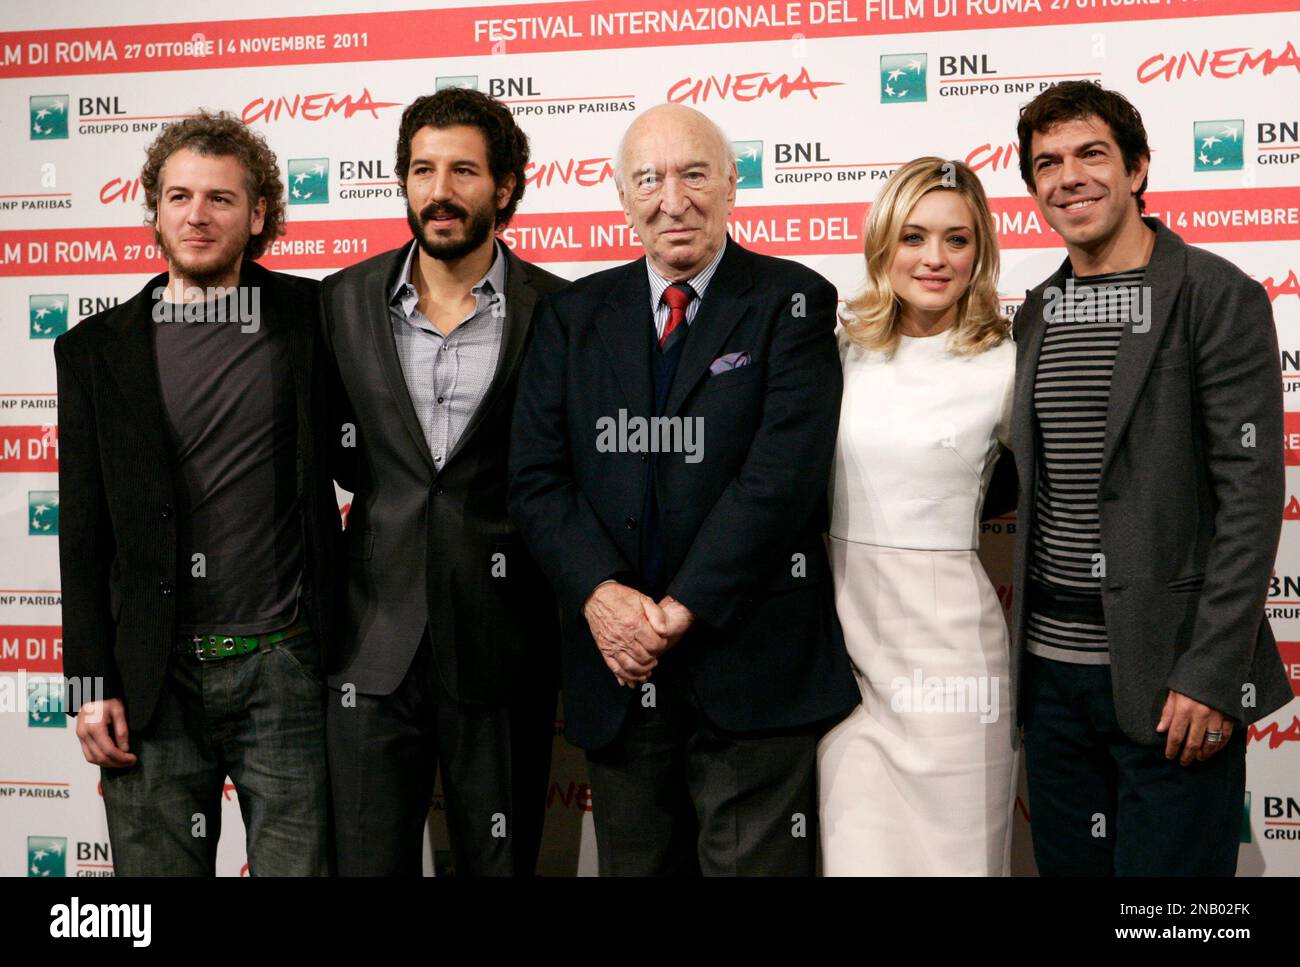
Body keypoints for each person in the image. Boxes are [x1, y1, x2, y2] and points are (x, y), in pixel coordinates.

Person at [509, 102, 858, 876]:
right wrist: (603, 597)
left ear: (734, 183)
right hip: (619, 677)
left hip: (752, 672)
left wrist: (677, 610)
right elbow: (536, 479)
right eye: (650, 179)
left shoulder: (792, 301)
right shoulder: (570, 316)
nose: (674, 199)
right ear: (623, 196)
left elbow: (780, 481)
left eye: (695, 174)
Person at [1008, 81, 1291, 875]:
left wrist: (1210, 674)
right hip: (1052, 683)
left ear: (1136, 168)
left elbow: (1250, 499)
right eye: (1047, 163)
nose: (1070, 177)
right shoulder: (1037, 311)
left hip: (1172, 680)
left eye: (1091, 153)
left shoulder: (1213, 294)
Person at [56, 111, 340, 875]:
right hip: (152, 685)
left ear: (257, 214)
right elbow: (82, 537)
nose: (196, 214)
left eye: (220, 198)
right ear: (153, 208)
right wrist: (89, 685)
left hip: (285, 669)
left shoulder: (316, 319)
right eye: (178, 195)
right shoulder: (92, 350)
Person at [320, 88, 565, 876]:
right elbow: (328, 454)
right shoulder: (341, 302)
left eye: (463, 171)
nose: (439, 191)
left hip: (504, 649)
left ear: (505, 186)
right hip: (370, 647)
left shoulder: (560, 312)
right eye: (422, 169)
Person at [817, 157, 1016, 875]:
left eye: (957, 240)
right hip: (843, 658)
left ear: (980, 251)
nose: (934, 258)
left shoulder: (1008, 364)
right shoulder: (837, 354)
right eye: (914, 237)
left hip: (953, 666)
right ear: (883, 245)